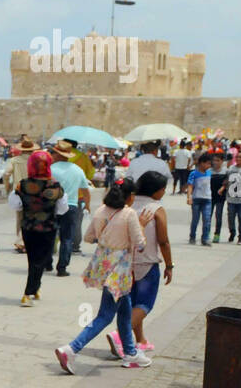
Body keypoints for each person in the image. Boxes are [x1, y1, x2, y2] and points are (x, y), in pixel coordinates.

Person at [55, 178, 150, 373]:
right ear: (130, 196)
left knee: (124, 311)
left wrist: (107, 239)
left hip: (103, 266)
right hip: (119, 270)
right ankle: (71, 349)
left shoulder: (100, 210)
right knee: (105, 315)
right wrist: (141, 226)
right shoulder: (129, 214)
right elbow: (140, 244)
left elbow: (89, 237)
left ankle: (130, 352)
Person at [107, 171, 172, 359]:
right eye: (163, 189)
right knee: (144, 304)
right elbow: (163, 241)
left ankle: (140, 339)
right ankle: (119, 335)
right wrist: (169, 265)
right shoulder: (156, 209)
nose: (164, 192)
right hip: (147, 262)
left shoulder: (128, 203)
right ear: (157, 190)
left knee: (132, 303)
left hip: (124, 261)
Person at [9, 150, 68, 307]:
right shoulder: (55, 185)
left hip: (28, 227)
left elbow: (15, 205)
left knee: (34, 259)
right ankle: (28, 293)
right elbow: (62, 209)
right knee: (41, 260)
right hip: (48, 228)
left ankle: (35, 288)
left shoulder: (22, 184)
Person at [51, 141, 91, 276]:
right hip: (71, 206)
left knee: (50, 235)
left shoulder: (51, 169)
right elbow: (86, 191)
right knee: (67, 237)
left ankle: (47, 263)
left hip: (52, 206)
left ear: (58, 154)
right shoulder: (77, 170)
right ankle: (62, 268)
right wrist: (88, 205)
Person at [2, 135, 36, 253]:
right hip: (34, 192)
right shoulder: (35, 160)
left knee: (20, 218)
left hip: (19, 192)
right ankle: (30, 242)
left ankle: (21, 242)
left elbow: (6, 174)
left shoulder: (14, 160)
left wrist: (7, 187)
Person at [185, 151, 214, 246]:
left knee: (207, 219)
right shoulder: (194, 173)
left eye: (210, 164)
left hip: (207, 199)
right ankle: (192, 236)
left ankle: (205, 238)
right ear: (201, 163)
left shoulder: (209, 173)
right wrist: (189, 197)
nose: (209, 166)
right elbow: (190, 186)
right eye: (207, 163)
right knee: (195, 220)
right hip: (196, 199)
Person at [209, 152, 228, 243]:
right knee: (208, 215)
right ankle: (206, 233)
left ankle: (217, 234)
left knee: (218, 215)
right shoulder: (209, 170)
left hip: (220, 197)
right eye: (214, 160)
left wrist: (223, 188)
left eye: (218, 160)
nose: (215, 162)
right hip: (210, 196)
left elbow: (227, 181)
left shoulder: (226, 171)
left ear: (222, 161)